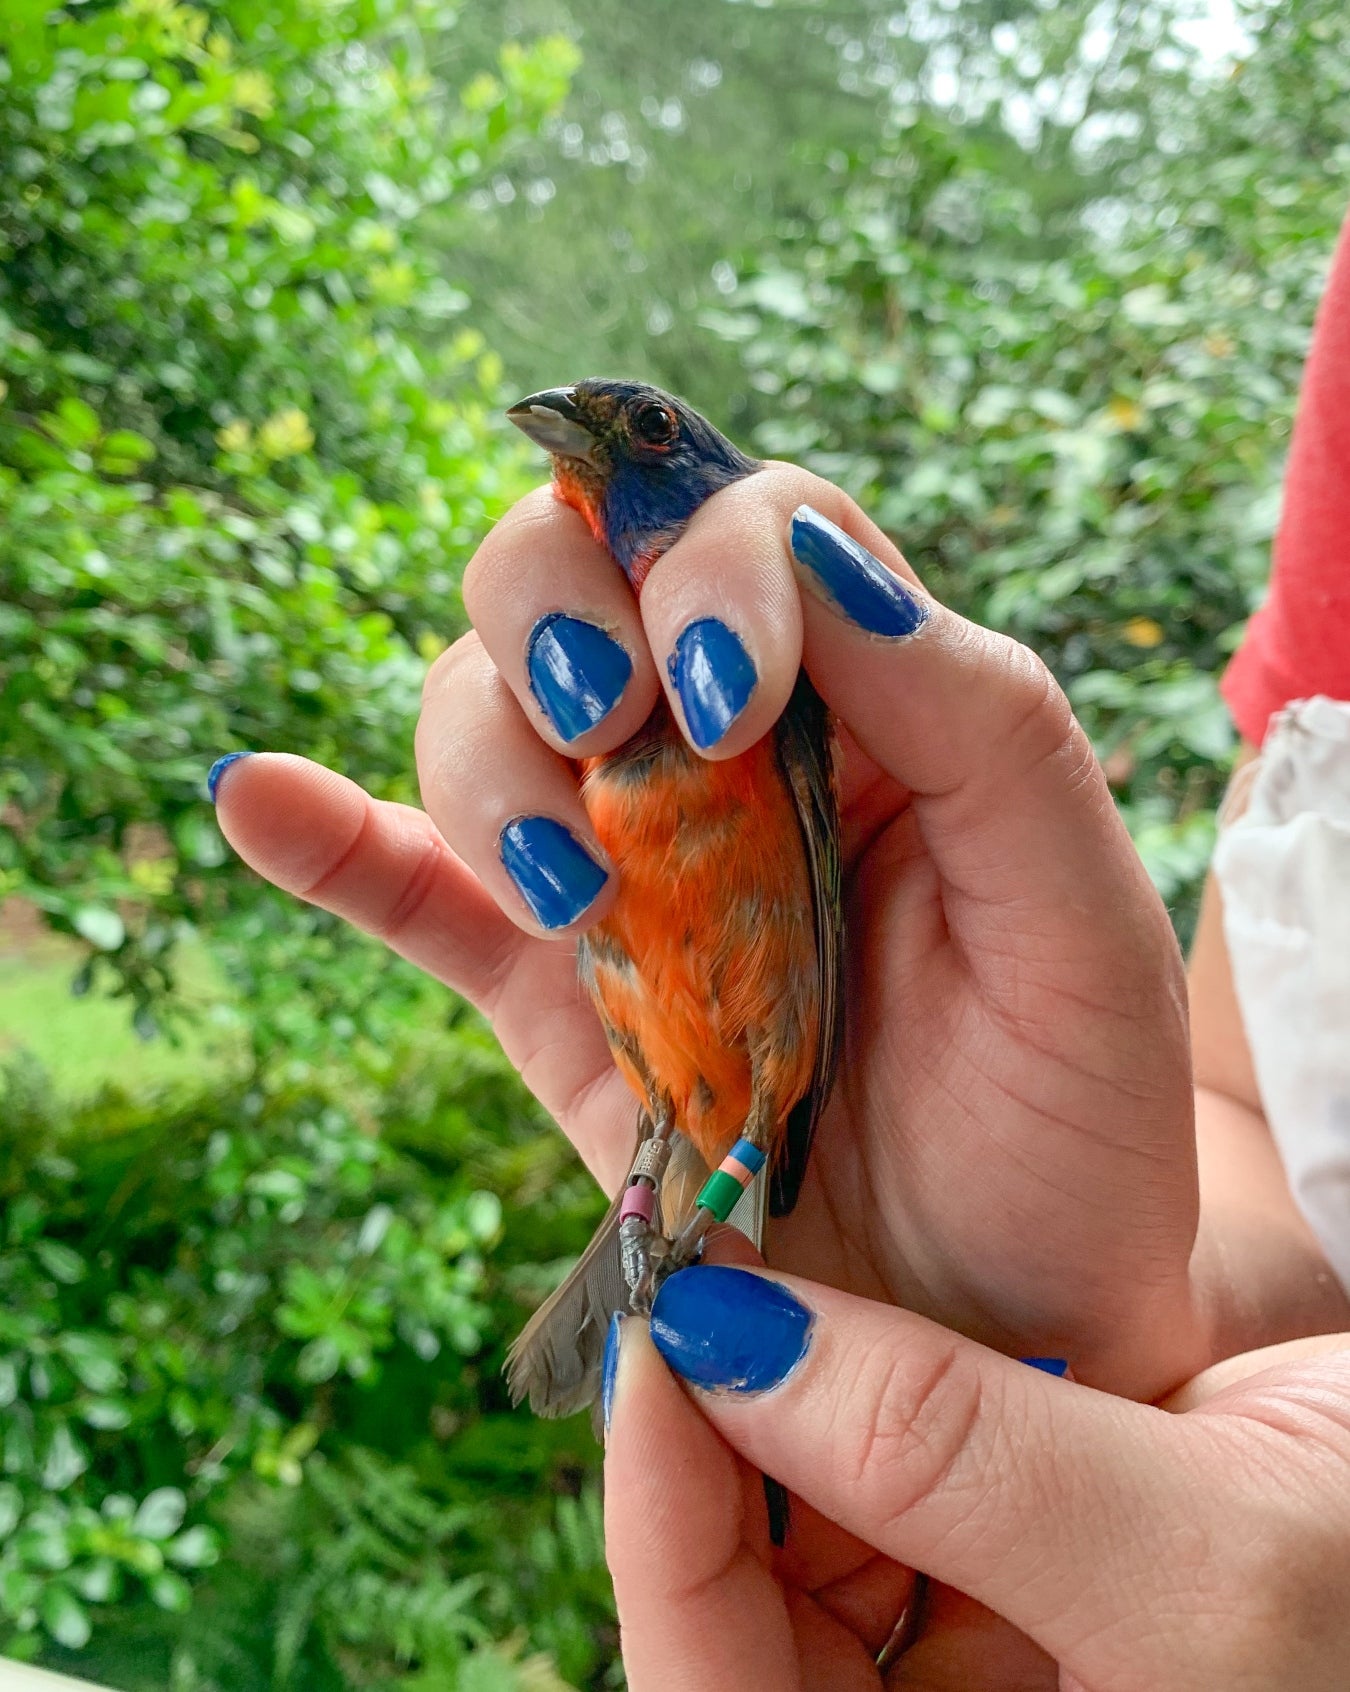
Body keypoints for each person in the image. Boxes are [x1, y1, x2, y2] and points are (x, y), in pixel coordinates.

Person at [208, 222, 1350, 1692]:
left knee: (730, 1114)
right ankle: (652, 1215)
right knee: (667, 1114)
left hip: (771, 1048)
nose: (578, 438)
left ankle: (680, 1227)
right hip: (675, 1020)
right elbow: (1264, 1131)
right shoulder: (661, 697)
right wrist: (1096, 1318)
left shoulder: (776, 725)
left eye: (639, 430)